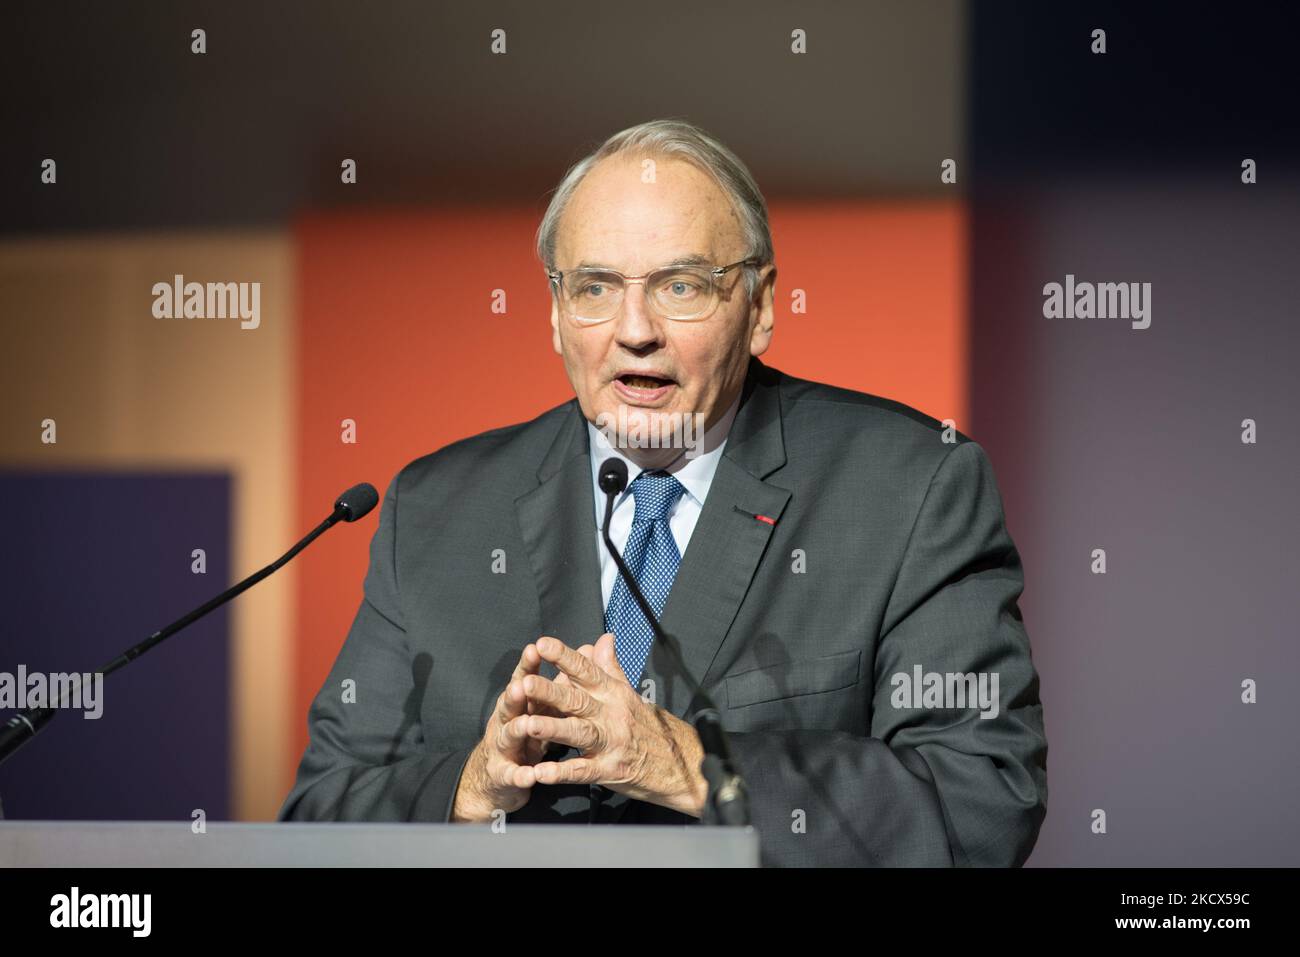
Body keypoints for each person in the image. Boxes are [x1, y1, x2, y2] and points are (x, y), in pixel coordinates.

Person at [278, 118, 1048, 866]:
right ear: (553, 312)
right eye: (595, 287)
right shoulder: (435, 510)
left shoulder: (908, 488)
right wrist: (471, 786)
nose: (634, 328)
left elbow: (980, 804)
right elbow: (319, 816)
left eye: (681, 285)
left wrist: (683, 761)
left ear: (762, 305)